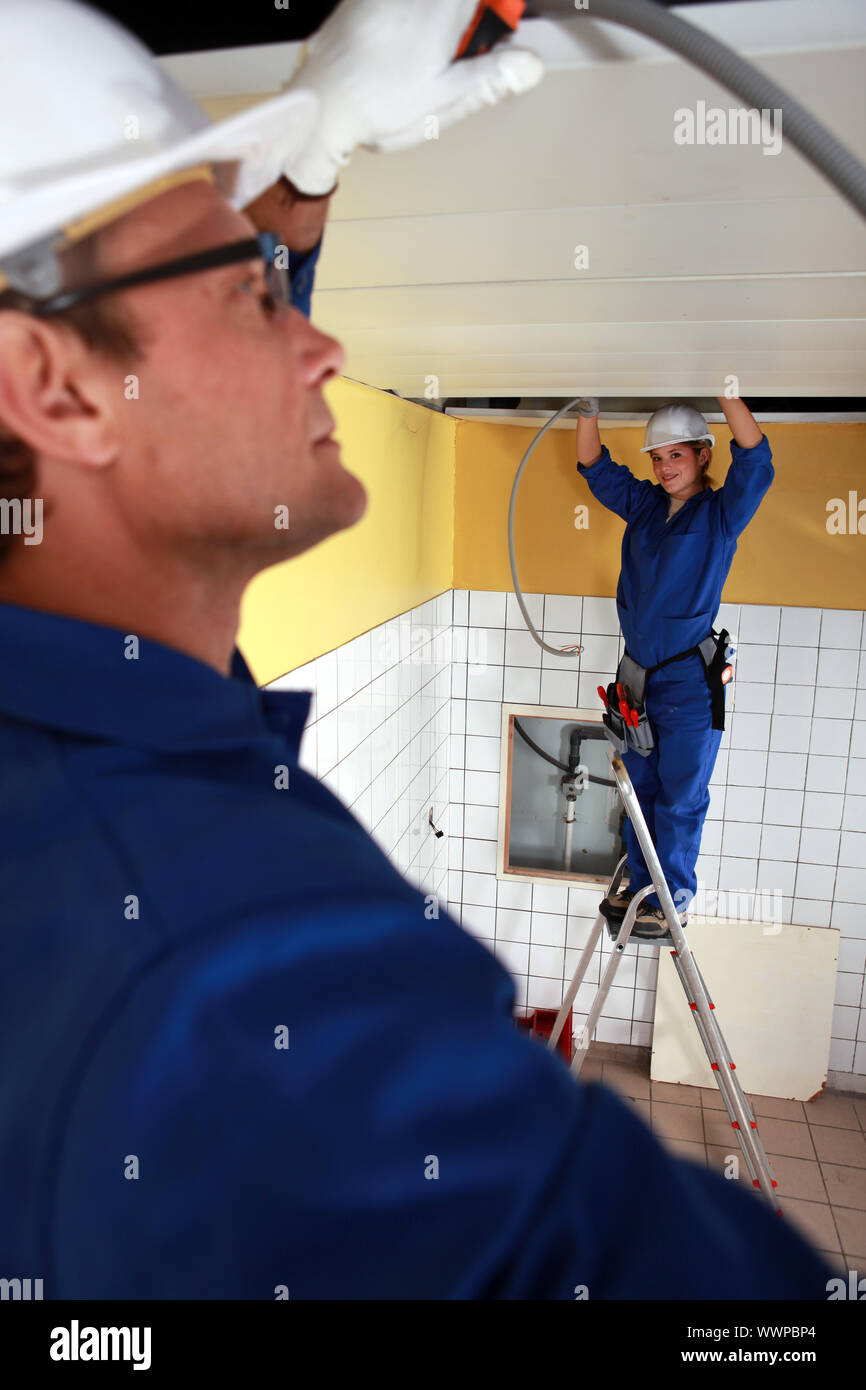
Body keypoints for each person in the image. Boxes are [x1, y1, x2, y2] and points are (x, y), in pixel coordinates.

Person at [0, 0, 833, 1299]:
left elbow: (180, 357)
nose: (321, 341)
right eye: (243, 294)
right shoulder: (224, 948)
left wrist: (312, 150)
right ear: (50, 388)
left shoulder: (89, 716)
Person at [575, 397, 774, 939]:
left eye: (677, 455)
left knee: (682, 792)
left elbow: (756, 460)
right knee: (640, 790)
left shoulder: (721, 514)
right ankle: (642, 885)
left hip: (689, 680)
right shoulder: (642, 505)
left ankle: (672, 897)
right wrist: (588, 410)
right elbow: (595, 469)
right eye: (658, 457)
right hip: (636, 678)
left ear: (704, 455)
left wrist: (729, 395)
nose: (665, 467)